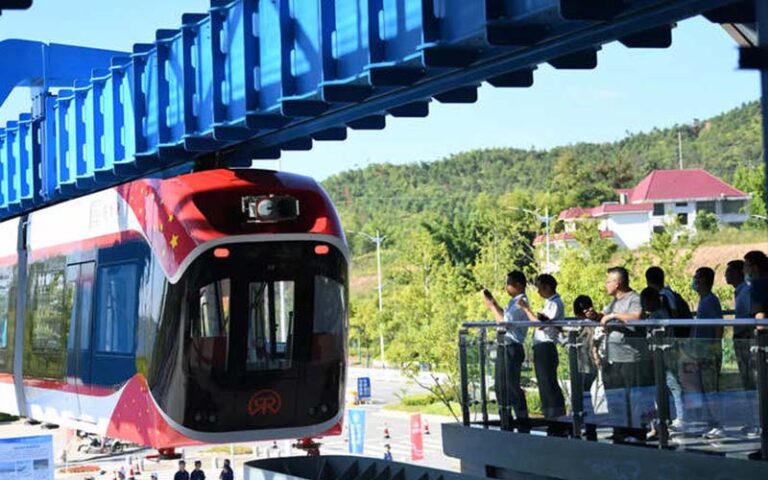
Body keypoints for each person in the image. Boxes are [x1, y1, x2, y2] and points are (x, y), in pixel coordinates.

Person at [597, 266, 651, 438]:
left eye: (608, 281)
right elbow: (603, 317)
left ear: (617, 283)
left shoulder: (634, 298)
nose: (606, 284)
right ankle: (619, 430)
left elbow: (637, 317)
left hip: (630, 358)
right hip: (612, 358)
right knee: (615, 397)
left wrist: (613, 316)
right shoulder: (613, 302)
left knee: (633, 398)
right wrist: (595, 316)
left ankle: (636, 432)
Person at [482, 271, 530, 426]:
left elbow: (504, 323)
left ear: (518, 285)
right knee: (501, 385)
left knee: (509, 385)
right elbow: (505, 317)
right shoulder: (513, 302)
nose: (506, 287)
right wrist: (494, 304)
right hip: (506, 346)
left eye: (509, 284)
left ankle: (520, 419)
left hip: (511, 346)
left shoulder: (520, 303)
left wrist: (491, 307)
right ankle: (506, 417)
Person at [517, 274, 566, 419]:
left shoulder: (555, 303)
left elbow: (541, 325)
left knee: (548, 381)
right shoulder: (549, 303)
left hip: (547, 345)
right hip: (541, 345)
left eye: (540, 288)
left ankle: (556, 416)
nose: (538, 291)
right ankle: (550, 414)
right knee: (544, 382)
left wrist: (526, 309)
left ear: (547, 287)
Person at [686, 267, 724, 439]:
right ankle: (710, 423)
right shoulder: (703, 301)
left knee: (711, 389)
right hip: (700, 352)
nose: (694, 281)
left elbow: (718, 325)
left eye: (697, 277)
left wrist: (714, 348)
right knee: (703, 389)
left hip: (709, 353)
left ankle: (718, 424)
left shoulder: (710, 300)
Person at [726, 259, 758, 436]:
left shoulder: (746, 292)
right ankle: (753, 421)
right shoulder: (740, 292)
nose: (726, 275)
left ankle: (757, 422)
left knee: (751, 382)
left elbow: (749, 319)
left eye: (730, 272)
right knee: (747, 382)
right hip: (741, 339)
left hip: (746, 340)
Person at [573, 295, 600, 417]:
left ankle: (587, 418)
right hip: (585, 363)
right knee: (584, 391)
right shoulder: (585, 325)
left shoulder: (590, 325)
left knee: (583, 391)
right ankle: (587, 418)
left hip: (588, 363)